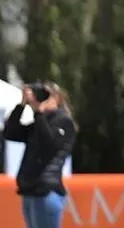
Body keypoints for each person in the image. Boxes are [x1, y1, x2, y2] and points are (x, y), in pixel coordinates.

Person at [3, 81, 77, 228]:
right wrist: (22, 105)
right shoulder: (38, 122)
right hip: (30, 190)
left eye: (46, 95)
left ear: (57, 99)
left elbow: (48, 145)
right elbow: (10, 133)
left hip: (46, 192)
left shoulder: (64, 121)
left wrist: (39, 112)